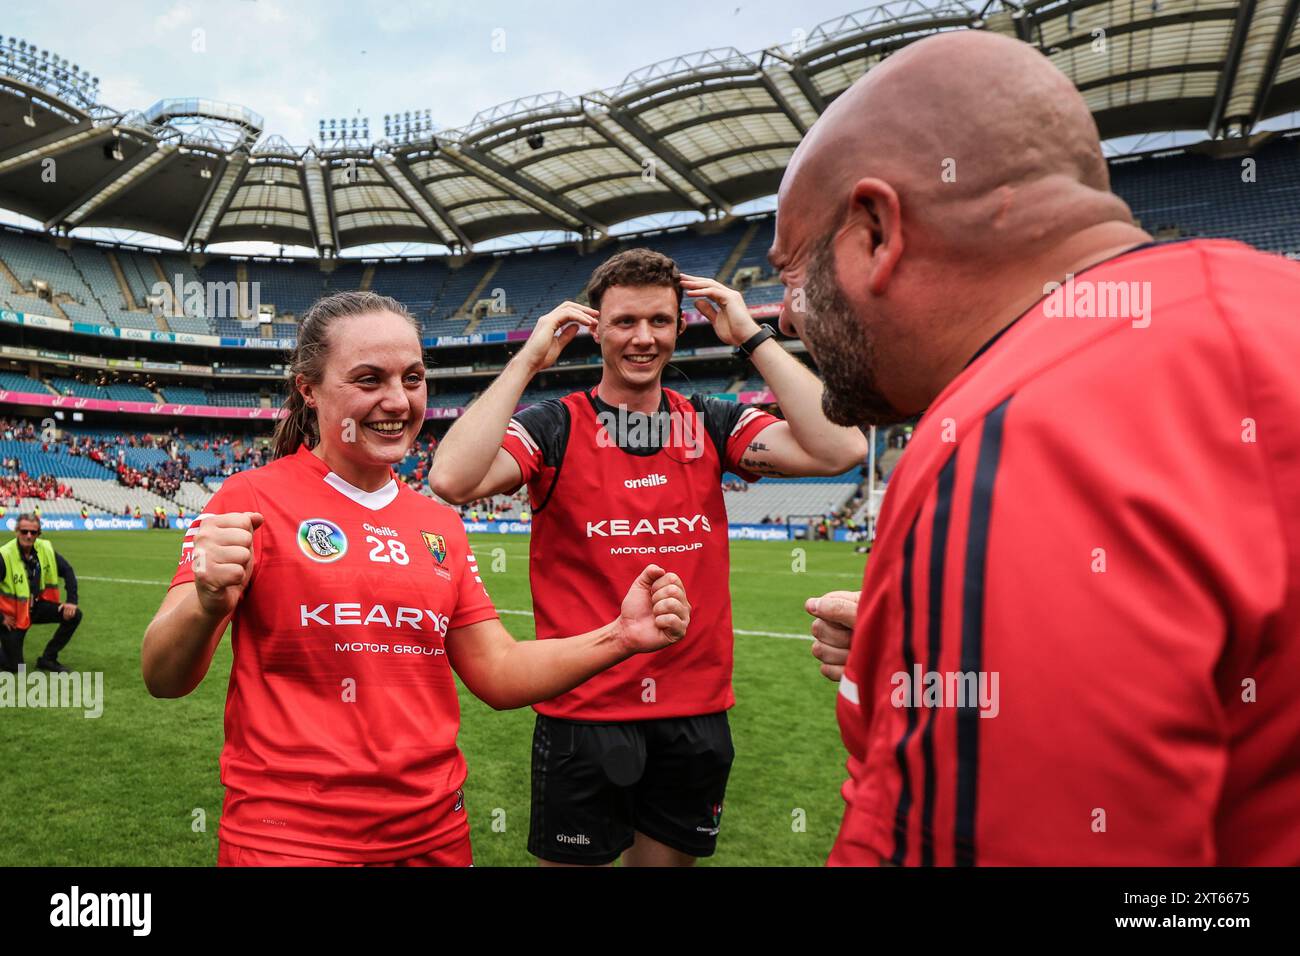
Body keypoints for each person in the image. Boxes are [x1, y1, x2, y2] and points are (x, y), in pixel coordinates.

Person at [776, 30, 1300, 865]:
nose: (783, 314)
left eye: (791, 269)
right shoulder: (1269, 307)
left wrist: (969, 594)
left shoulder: (1011, 440)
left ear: (877, 230)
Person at [141, 291, 690, 867]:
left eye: (413, 377)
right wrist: (205, 604)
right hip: (289, 841)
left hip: (435, 836)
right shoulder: (249, 500)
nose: (397, 401)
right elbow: (163, 677)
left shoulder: (438, 524)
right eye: (369, 379)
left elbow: (498, 674)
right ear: (309, 389)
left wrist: (622, 635)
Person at [431, 248, 867, 867]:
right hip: (585, 707)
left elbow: (841, 447)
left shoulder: (711, 422)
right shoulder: (554, 426)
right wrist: (529, 358)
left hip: (694, 712)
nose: (643, 338)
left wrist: (748, 334)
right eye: (625, 322)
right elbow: (450, 478)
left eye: (660, 321)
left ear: (679, 326)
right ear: (595, 328)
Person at [0, 513, 82, 674]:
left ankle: (48, 658)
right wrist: (1, 618)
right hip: (12, 616)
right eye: (24, 531)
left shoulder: (45, 549)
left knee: (74, 615)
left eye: (33, 532)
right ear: (16, 531)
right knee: (15, 667)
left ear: (39, 534)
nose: (29, 536)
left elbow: (68, 571)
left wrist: (72, 601)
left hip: (35, 608)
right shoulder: (5, 556)